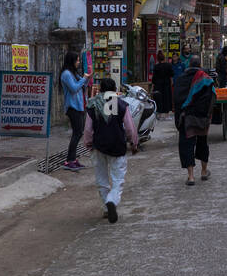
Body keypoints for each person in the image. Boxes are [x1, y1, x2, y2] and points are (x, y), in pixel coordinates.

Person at [82, 78, 139, 223]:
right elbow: (130, 128)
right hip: (117, 146)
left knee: (101, 179)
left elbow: (88, 130)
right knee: (117, 179)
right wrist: (133, 143)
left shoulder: (92, 105)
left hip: (98, 146)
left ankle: (107, 209)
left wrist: (88, 144)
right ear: (114, 90)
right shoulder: (120, 104)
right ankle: (112, 200)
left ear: (100, 89)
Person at [173, 54, 214, 186]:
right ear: (199, 65)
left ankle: (190, 176)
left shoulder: (180, 79)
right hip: (201, 118)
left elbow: (177, 100)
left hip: (186, 117)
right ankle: (203, 171)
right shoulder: (206, 79)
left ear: (189, 65)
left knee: (186, 145)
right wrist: (208, 116)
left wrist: (178, 120)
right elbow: (212, 97)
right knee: (202, 143)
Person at [59, 51, 90, 171]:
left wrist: (87, 78)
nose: (78, 62)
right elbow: (74, 88)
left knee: (78, 133)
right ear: (71, 61)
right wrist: (83, 79)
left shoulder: (73, 73)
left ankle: (73, 159)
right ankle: (69, 160)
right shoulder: (66, 74)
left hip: (79, 105)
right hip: (73, 107)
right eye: (77, 60)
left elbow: (82, 85)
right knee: (77, 134)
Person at [152, 51, 175, 119]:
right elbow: (171, 76)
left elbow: (154, 78)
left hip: (158, 85)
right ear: (164, 58)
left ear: (158, 59)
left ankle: (159, 114)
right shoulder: (168, 65)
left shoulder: (156, 66)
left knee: (159, 99)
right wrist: (171, 83)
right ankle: (166, 115)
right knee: (166, 98)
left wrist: (153, 87)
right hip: (166, 84)